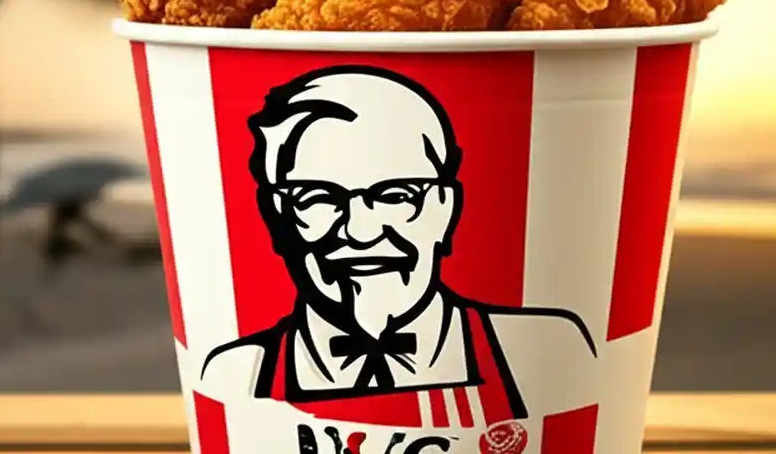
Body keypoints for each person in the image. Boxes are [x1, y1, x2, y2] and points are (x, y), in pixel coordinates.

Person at [202, 66, 596, 427]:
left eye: (395, 195)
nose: (361, 231)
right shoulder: (237, 372)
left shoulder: (542, 348)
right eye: (318, 198)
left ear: (445, 209)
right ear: (278, 217)